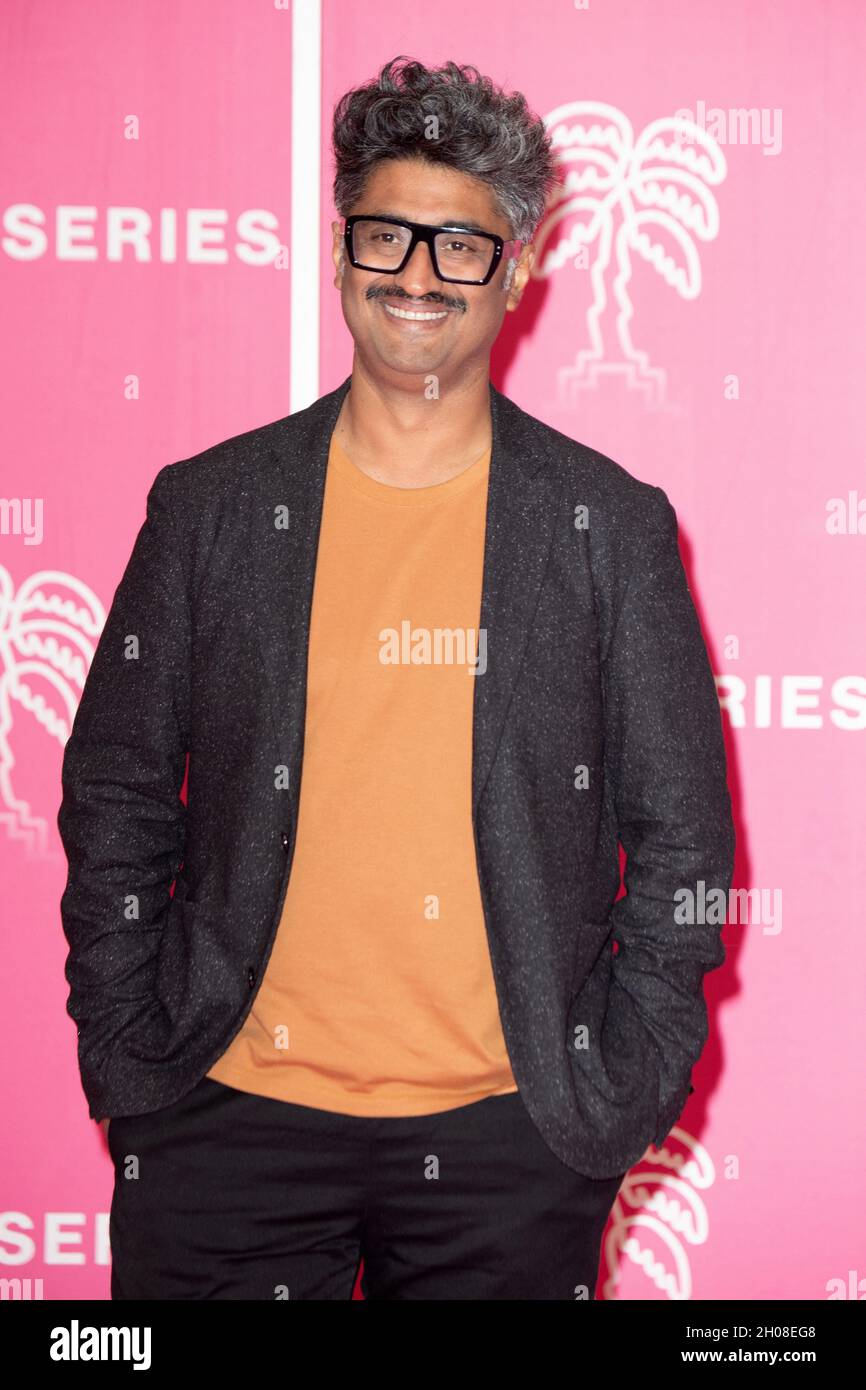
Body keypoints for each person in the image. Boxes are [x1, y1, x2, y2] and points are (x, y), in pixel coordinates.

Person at [58, 55, 735, 1301]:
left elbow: (684, 841)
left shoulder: (606, 526)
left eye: (458, 245)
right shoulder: (210, 509)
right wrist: (126, 1042)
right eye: (386, 233)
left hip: (507, 1137)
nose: (415, 274)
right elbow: (115, 789)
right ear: (340, 248)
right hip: (223, 1119)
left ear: (517, 268)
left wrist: (624, 1075)